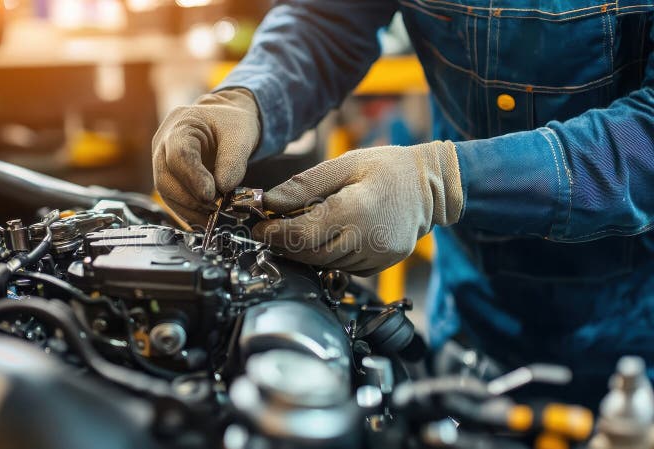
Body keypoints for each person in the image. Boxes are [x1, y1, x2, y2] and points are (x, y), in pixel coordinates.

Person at [152, 1, 654, 408]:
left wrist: (443, 182)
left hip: (633, 338)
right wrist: (247, 97)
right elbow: (329, 21)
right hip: (471, 314)